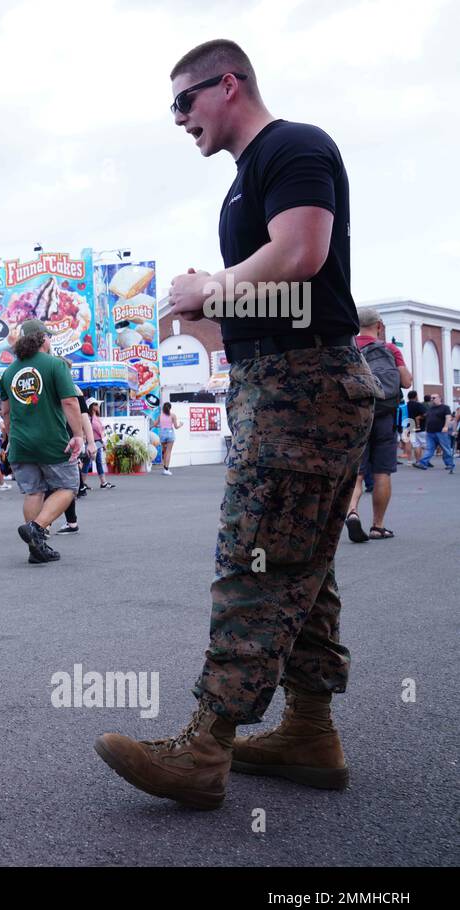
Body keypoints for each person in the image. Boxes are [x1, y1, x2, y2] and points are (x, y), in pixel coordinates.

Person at [95, 39, 378, 810]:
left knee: (256, 565)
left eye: (184, 102)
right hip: (280, 386)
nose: (179, 120)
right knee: (302, 568)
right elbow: (280, 297)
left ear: (228, 84)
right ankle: (310, 733)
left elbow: (302, 252)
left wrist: (214, 284)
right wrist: (201, 312)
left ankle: (206, 746)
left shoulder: (292, 144)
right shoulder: (241, 182)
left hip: (304, 392)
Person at [0, 321, 88, 564]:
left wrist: (8, 438)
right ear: (43, 339)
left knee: (33, 491)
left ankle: (36, 548)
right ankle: (36, 528)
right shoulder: (55, 365)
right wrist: (78, 435)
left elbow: (5, 412)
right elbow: (70, 402)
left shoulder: (8, 372)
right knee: (69, 485)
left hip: (20, 443)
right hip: (50, 440)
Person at [345, 307, 411, 542]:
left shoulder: (348, 347)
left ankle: (352, 512)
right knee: (382, 472)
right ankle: (378, 526)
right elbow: (405, 381)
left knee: (356, 474)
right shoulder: (390, 349)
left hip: (355, 417)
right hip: (384, 417)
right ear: (379, 326)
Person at [413, 393, 455, 473]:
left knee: (446, 448)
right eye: (431, 398)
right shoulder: (431, 408)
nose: (432, 399)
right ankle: (423, 463)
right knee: (429, 448)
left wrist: (446, 426)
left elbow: (448, 417)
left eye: (434, 398)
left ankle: (449, 464)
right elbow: (427, 417)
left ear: (439, 398)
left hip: (441, 432)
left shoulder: (445, 408)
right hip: (430, 432)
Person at [157, 402, 181, 475]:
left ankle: (164, 467)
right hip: (170, 433)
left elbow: (155, 424)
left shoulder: (160, 416)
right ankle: (166, 469)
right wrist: (181, 425)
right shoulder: (173, 415)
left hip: (162, 434)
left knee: (164, 451)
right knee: (169, 452)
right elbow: (176, 427)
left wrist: (160, 426)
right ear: (170, 408)